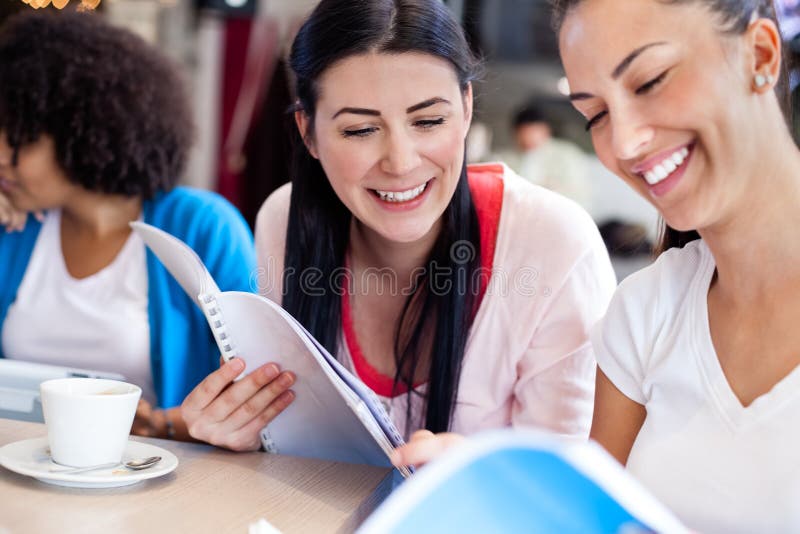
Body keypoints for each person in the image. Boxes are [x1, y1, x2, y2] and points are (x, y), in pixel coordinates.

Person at [180, 0, 616, 453]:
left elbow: (568, 488)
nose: (401, 162)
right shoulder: (285, 220)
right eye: (360, 130)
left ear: (466, 109)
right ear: (308, 131)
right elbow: (290, 448)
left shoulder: (553, 244)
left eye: (428, 121)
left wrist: (473, 472)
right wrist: (240, 432)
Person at [552, 0, 800, 532]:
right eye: (595, 114)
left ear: (759, 53)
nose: (623, 142)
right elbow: (592, 522)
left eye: (650, 82)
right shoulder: (644, 312)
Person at [0, 11, 256, 440]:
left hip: (162, 481)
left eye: (19, 140)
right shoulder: (15, 228)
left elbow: (258, 386)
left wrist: (166, 425)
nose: (1, 157)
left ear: (81, 132)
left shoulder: (201, 227)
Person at [498, 102, 592, 211]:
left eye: (533, 132)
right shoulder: (507, 158)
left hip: (561, 215)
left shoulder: (568, 155)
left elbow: (580, 193)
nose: (528, 138)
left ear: (545, 130)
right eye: (523, 134)